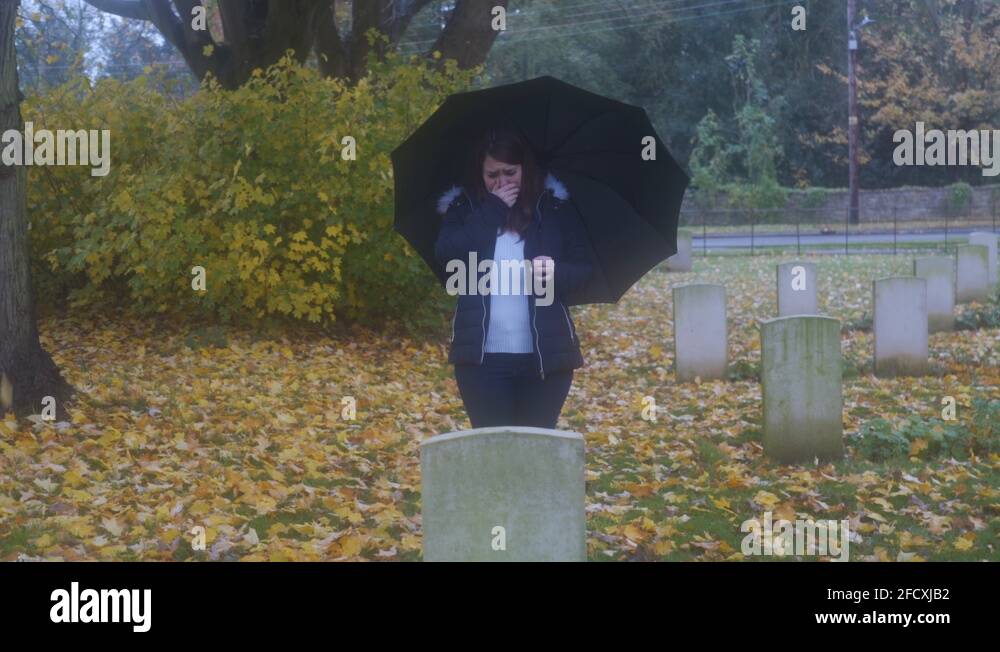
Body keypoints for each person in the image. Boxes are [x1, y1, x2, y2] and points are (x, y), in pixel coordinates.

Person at [434, 124, 593, 429]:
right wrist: (493, 208)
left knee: (535, 452)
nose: (501, 182)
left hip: (546, 358)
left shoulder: (552, 208)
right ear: (480, 174)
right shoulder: (464, 208)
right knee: (494, 453)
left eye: (510, 173)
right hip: (481, 360)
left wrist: (555, 272)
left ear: (525, 168)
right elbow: (448, 256)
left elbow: (585, 271)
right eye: (492, 175)